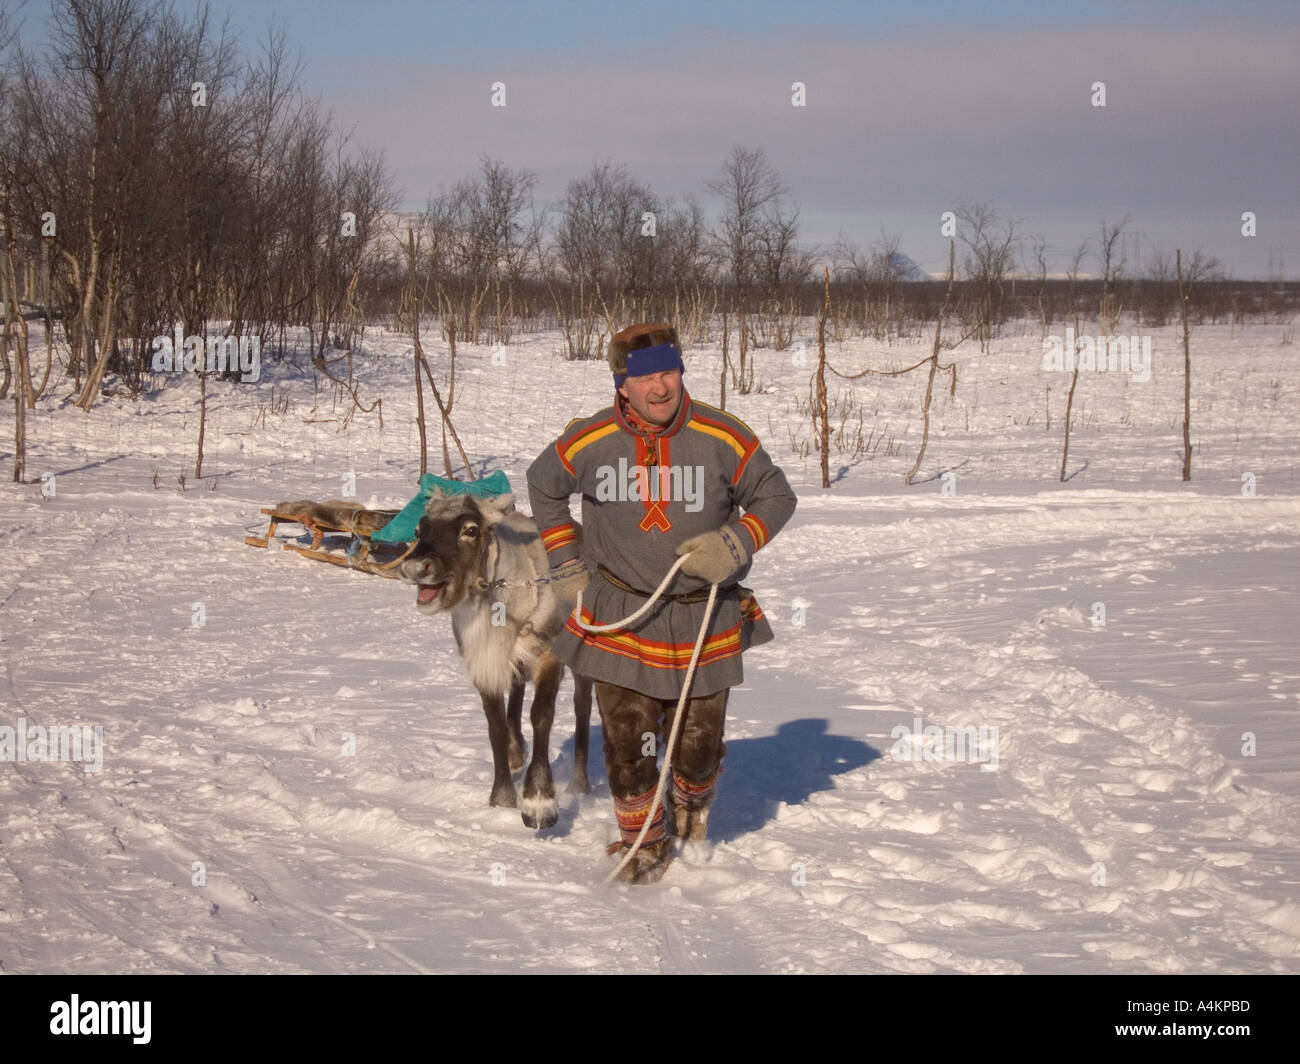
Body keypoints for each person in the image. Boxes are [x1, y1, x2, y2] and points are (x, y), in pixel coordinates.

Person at [527, 322, 797, 883]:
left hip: (704, 615)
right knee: (629, 745)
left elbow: (776, 495)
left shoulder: (723, 436)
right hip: (620, 613)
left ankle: (691, 807)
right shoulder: (590, 439)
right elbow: (543, 483)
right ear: (622, 383)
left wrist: (735, 542)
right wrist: (566, 558)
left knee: (698, 747)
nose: (659, 388)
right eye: (644, 377)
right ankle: (644, 844)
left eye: (668, 372)